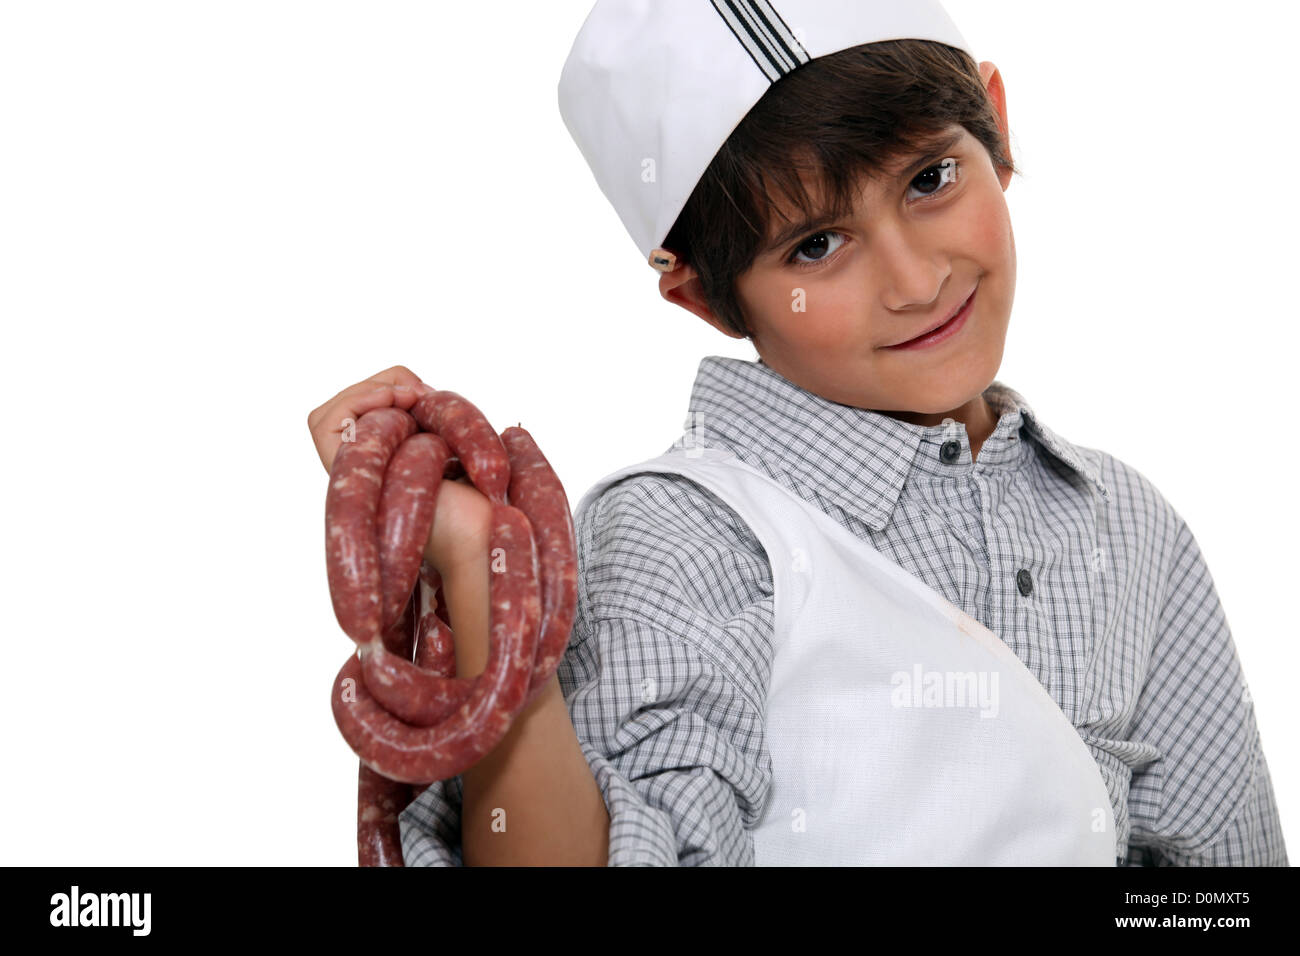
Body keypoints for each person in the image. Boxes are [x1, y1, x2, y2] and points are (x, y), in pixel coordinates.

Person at [311, 0, 1287, 865]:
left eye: (930, 177)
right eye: (815, 244)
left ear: (996, 121)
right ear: (702, 294)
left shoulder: (1124, 522)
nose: (913, 280)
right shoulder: (687, 535)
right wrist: (488, 579)